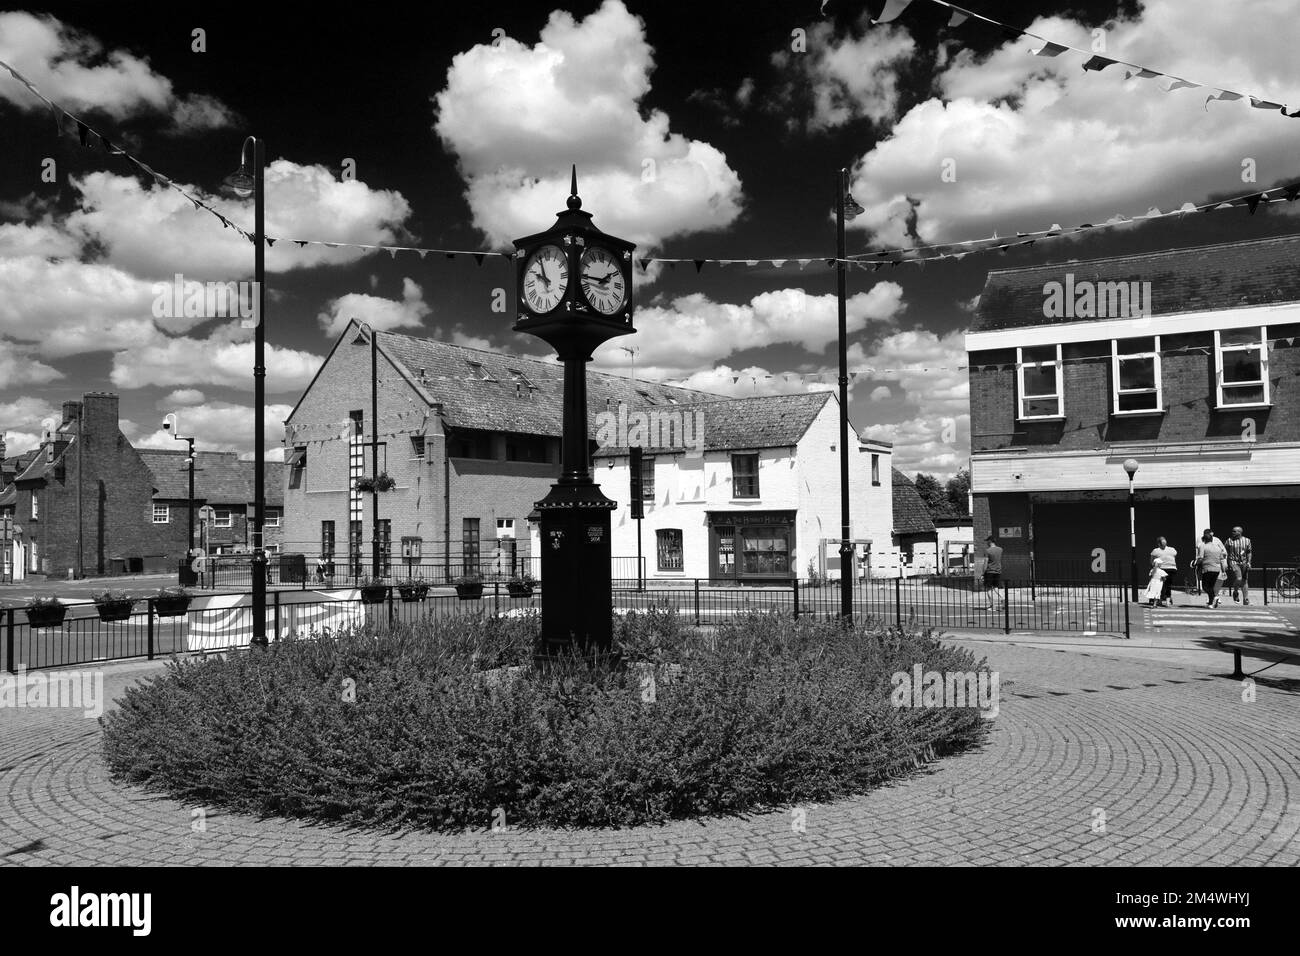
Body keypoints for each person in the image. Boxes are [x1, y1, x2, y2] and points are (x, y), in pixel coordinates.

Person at [1195, 528, 1227, 608]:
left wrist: (1195, 563)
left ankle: (1215, 597)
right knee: (1211, 586)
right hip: (1217, 569)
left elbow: (1201, 558)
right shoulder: (1218, 548)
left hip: (1207, 568)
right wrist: (1223, 571)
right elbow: (1222, 559)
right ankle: (1210, 603)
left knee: (1205, 587)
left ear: (1204, 539)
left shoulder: (1203, 546)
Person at [1225, 526, 1253, 605]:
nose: (1232, 533)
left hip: (1243, 562)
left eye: (1234, 531)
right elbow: (1224, 551)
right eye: (1232, 531)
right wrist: (1225, 562)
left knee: (1244, 580)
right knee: (1239, 578)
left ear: (1239, 532)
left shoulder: (1247, 540)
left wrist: (1249, 562)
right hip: (1233, 561)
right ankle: (1236, 591)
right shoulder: (1229, 540)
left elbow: (1249, 552)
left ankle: (1245, 599)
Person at [1148, 536, 1178, 607]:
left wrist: (1153, 568)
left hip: (1162, 569)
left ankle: (1160, 600)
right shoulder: (1172, 549)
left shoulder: (1155, 551)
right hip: (1172, 569)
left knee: (1160, 585)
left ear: (1158, 544)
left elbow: (1151, 561)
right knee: (1168, 585)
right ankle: (1167, 602)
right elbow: (1174, 557)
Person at [983, 535, 1003, 611]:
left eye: (987, 541)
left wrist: (982, 573)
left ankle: (992, 606)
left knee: (988, 589)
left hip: (989, 571)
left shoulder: (987, 551)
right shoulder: (1000, 549)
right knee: (996, 588)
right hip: (998, 571)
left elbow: (985, 563)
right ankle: (1002, 598)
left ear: (990, 541)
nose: (987, 542)